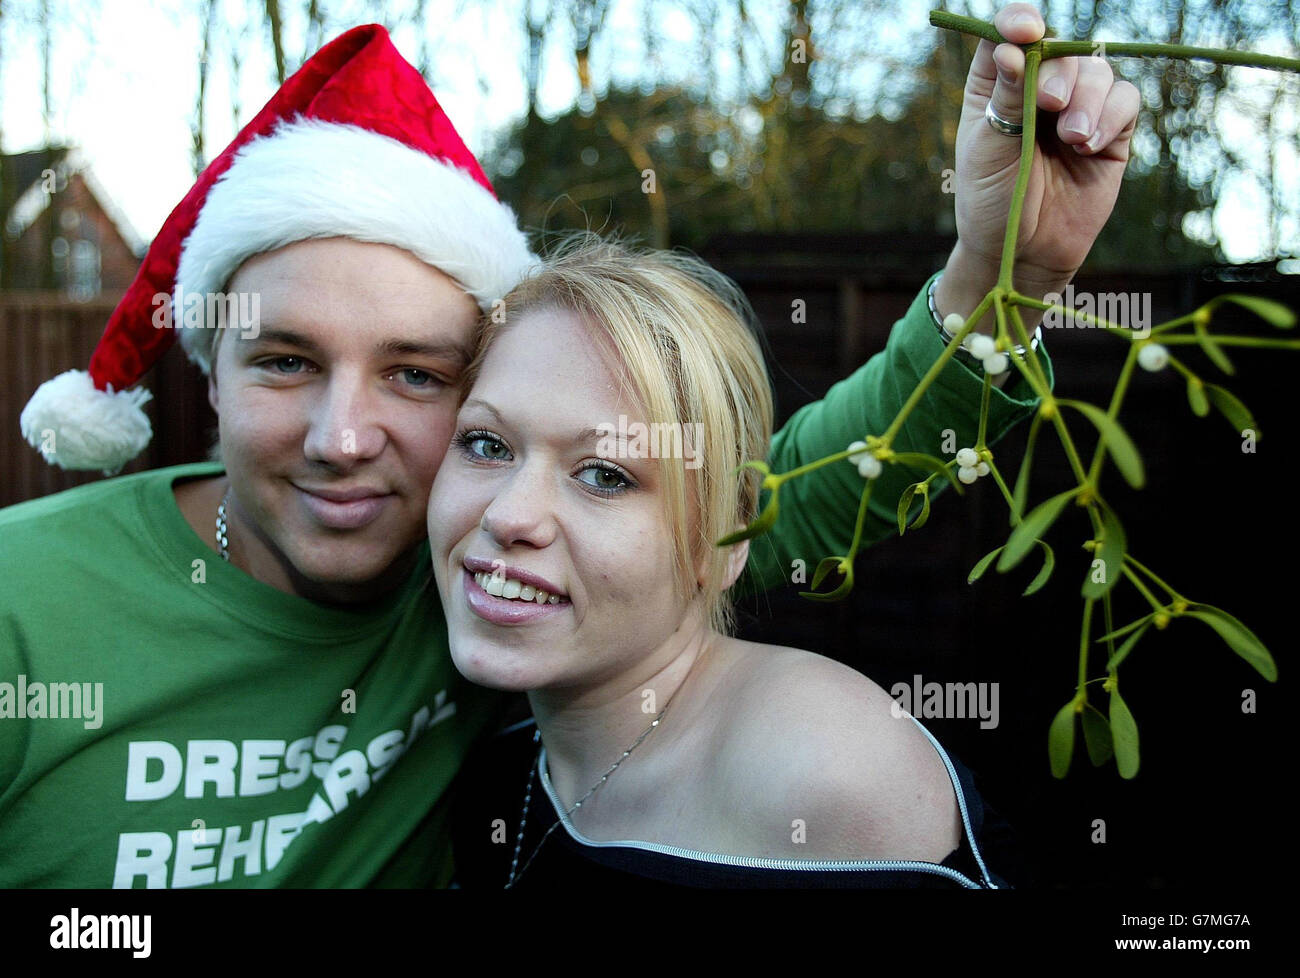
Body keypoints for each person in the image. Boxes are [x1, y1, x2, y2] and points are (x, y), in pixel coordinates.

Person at [0, 5, 1136, 887]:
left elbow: (818, 482)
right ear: (211, 370)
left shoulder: (486, 571)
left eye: (416, 375)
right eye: (285, 361)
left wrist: (1008, 278)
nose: (344, 440)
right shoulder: (27, 603)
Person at [439, 237, 1012, 889]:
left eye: (603, 475)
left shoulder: (819, 769)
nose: (509, 516)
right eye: (486, 443)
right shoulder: (497, 766)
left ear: (729, 535)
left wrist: (1003, 273)